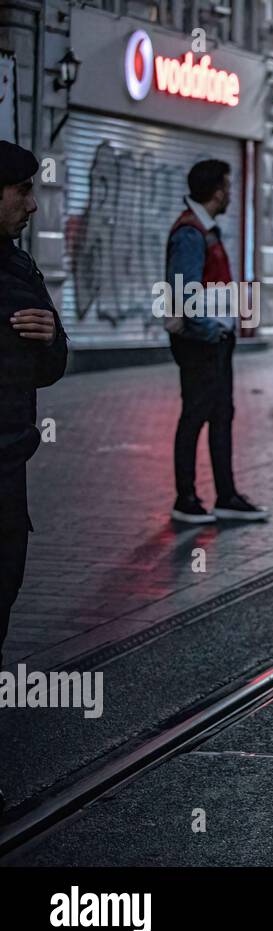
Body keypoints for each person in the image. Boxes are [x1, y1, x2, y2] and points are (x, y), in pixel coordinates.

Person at [166, 159, 266, 524]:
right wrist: (212, 331)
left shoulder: (205, 229)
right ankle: (186, 499)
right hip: (201, 343)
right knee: (195, 415)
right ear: (217, 191)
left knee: (221, 415)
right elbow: (182, 293)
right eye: (227, 186)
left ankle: (226, 496)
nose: (230, 194)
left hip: (215, 340)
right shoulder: (190, 233)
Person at [0, 140, 68, 668]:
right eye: (23, 191)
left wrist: (49, 339)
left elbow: (51, 365)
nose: (33, 204)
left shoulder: (19, 265)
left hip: (8, 463)